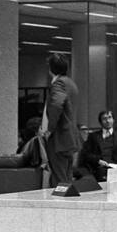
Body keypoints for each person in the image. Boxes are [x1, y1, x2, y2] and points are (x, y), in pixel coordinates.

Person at [39, 52, 81, 187]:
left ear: (50, 68)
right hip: (70, 138)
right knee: (66, 177)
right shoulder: (71, 83)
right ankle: (67, 205)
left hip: (59, 138)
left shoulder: (59, 84)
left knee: (59, 178)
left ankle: (59, 205)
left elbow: (57, 105)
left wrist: (49, 129)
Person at [80, 110, 117, 181]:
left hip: (116, 168)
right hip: (99, 168)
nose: (108, 121)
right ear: (100, 122)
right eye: (104, 119)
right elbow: (85, 154)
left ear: (113, 120)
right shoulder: (93, 136)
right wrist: (98, 160)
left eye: (109, 117)